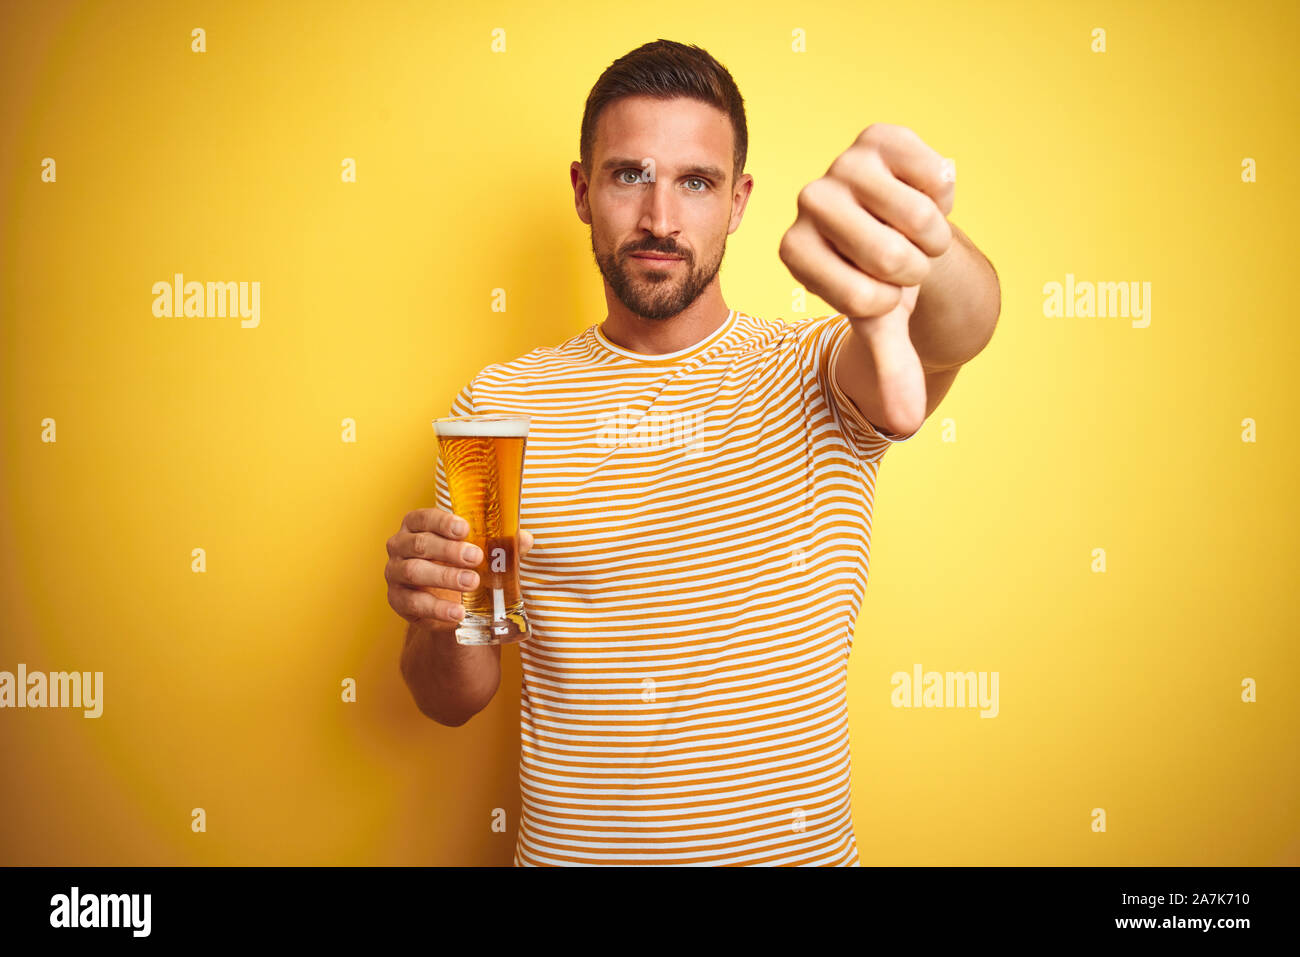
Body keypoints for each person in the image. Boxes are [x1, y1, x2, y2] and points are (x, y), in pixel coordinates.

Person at [384, 39, 1000, 865]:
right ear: (582, 189)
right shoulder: (498, 409)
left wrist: (919, 244)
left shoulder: (817, 369)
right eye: (629, 174)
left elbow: (959, 328)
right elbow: (454, 697)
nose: (661, 220)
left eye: (696, 182)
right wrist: (435, 617)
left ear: (740, 200)